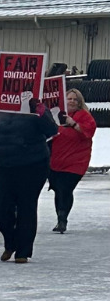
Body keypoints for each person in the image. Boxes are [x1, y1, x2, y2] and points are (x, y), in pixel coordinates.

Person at [0, 96, 57, 263]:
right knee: (1, 209)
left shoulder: (36, 107)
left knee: (26, 208)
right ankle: (11, 242)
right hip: (5, 166)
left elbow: (52, 131)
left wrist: (41, 112)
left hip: (33, 166)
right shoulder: (2, 111)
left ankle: (23, 251)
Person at [48, 89, 97, 233]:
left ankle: (62, 220)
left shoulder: (85, 117)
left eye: (75, 99)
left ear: (80, 102)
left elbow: (88, 132)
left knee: (65, 188)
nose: (72, 101)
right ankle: (60, 218)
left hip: (76, 161)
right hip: (57, 160)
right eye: (69, 99)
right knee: (58, 190)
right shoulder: (56, 115)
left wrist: (74, 124)